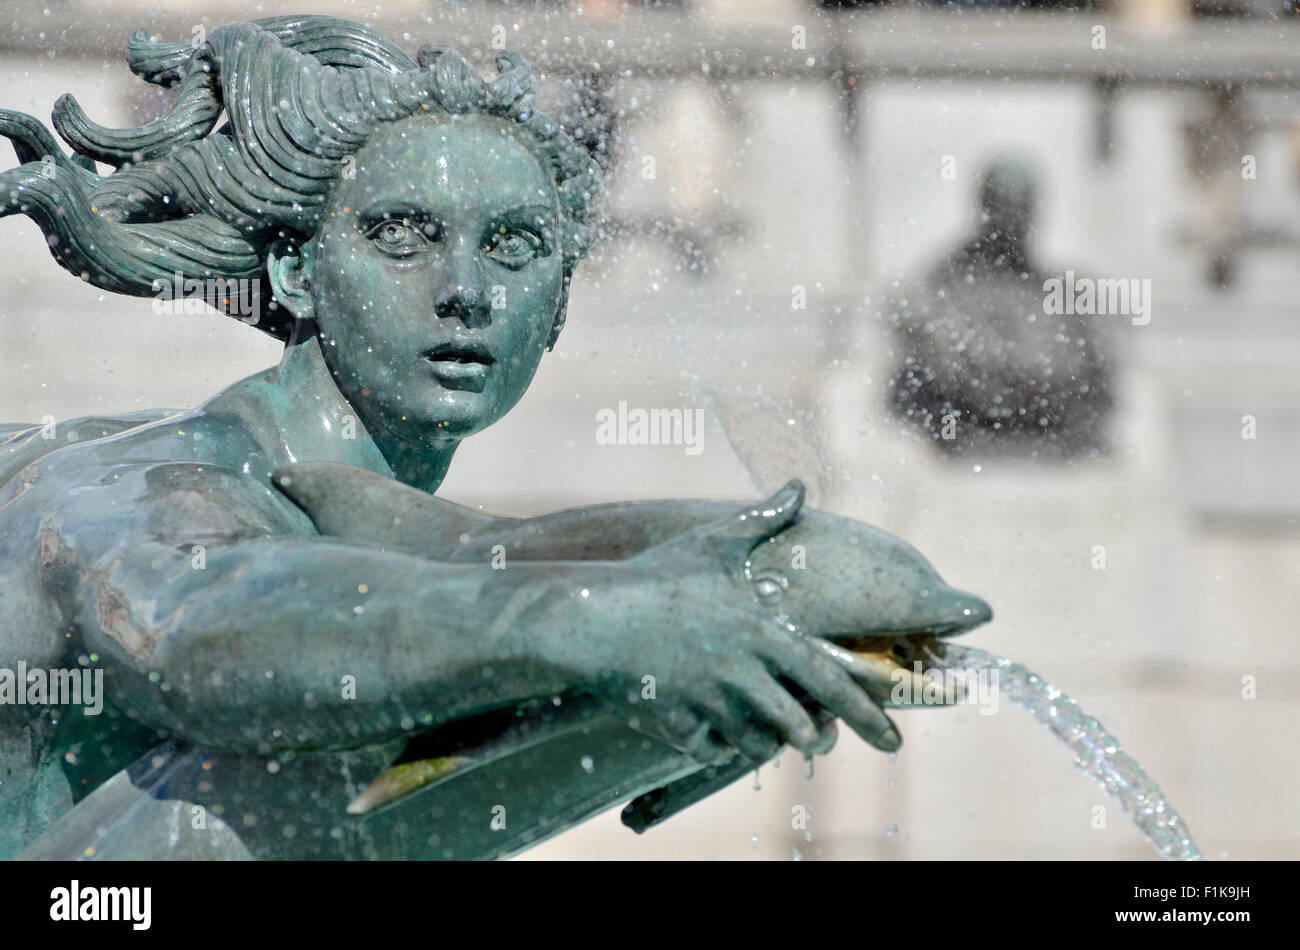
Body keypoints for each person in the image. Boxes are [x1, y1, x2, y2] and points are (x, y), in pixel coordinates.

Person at [0, 17, 918, 858]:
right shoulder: (147, 480)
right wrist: (606, 629)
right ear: (295, 269)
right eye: (402, 236)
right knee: (228, 801)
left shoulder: (390, 524)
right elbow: (196, 635)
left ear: (558, 304)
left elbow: (840, 578)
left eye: (514, 247)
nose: (463, 289)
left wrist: (664, 690)